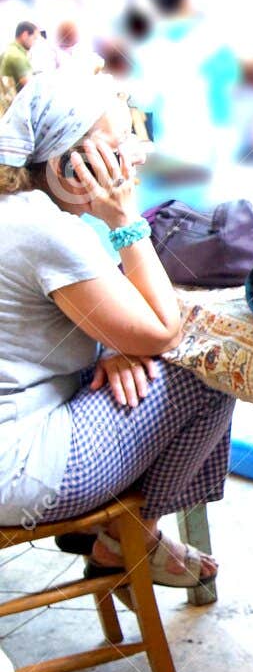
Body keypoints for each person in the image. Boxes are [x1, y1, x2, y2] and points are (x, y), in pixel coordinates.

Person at [0, 74, 232, 587]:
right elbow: (165, 332)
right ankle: (128, 540)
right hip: (26, 473)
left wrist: (111, 347)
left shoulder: (19, 213)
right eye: (117, 145)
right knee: (213, 367)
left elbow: (76, 320)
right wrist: (126, 219)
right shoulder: (48, 232)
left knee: (144, 361)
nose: (135, 158)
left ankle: (114, 537)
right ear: (68, 165)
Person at [0, 21, 39, 92]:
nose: (34, 43)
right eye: (34, 39)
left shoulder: (7, 50)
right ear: (25, 35)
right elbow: (32, 88)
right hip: (15, 101)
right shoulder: (18, 57)